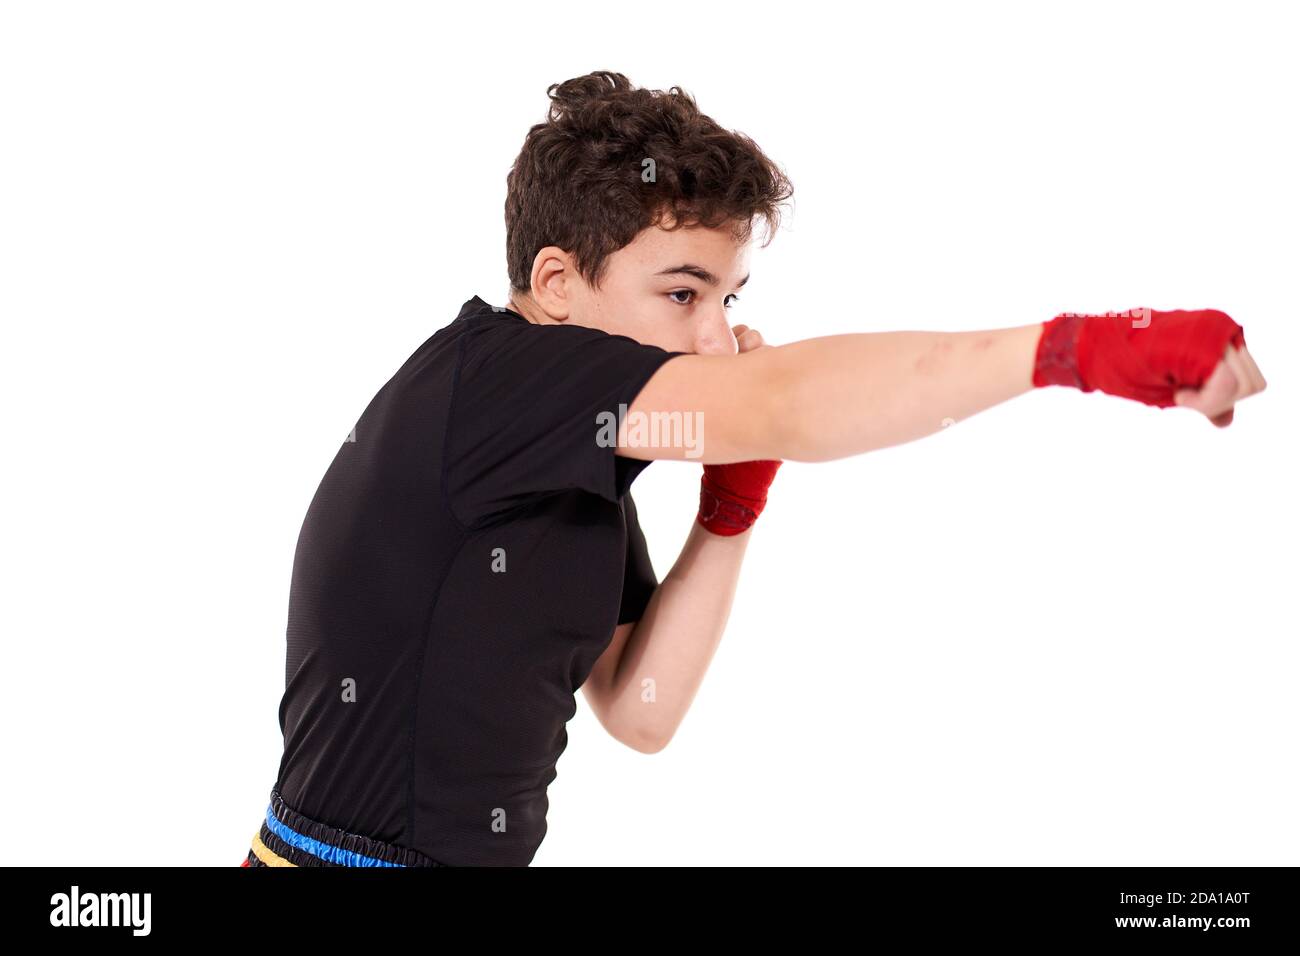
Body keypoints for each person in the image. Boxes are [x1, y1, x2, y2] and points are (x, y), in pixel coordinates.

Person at [241, 70, 1266, 868]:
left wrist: (731, 503)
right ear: (554, 282)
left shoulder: (561, 454)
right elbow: (791, 396)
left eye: (728, 300)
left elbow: (639, 709)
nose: (718, 337)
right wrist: (1071, 350)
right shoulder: (508, 376)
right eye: (682, 293)